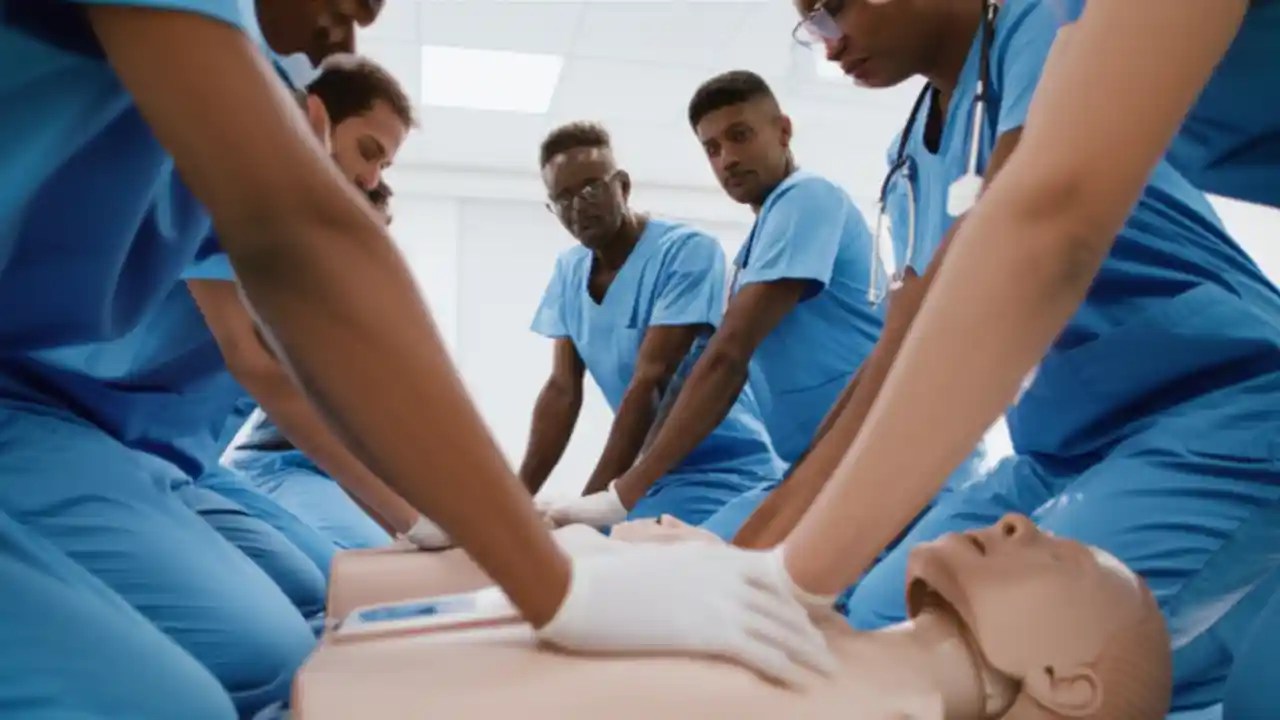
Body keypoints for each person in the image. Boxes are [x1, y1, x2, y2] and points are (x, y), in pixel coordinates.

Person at [0, 2, 832, 714]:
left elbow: (331, 301)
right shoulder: (224, 101)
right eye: (368, 157)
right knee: (203, 687)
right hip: (65, 427)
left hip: (144, 449)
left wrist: (550, 520)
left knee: (276, 646)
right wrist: (540, 562)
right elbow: (303, 271)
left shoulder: (695, 247)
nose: (365, 17)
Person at [764, 0, 1280, 710]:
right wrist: (771, 561)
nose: (829, 45)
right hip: (1063, 447)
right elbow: (907, 339)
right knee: (887, 614)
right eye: (812, 25)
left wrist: (787, 572)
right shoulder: (912, 158)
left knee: (1011, 654)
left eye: (836, 9)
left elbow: (1045, 223)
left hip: (1219, 405)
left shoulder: (1042, 24)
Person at [299, 514, 1174, 720]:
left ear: (1066, 682)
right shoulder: (832, 639)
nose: (1020, 521)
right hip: (351, 663)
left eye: (1058, 558)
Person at [614, 70, 987, 542]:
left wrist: (624, 491)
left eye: (740, 136)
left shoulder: (806, 198)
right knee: (681, 558)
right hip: (811, 471)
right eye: (712, 148)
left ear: (783, 131)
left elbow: (727, 357)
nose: (727, 158)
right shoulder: (754, 250)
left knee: (721, 577)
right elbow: (711, 371)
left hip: (889, 461)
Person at [529, 121, 786, 527]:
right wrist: (514, 500)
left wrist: (589, 505)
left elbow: (650, 381)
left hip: (723, 469)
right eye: (562, 198)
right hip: (641, 475)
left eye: (591, 188)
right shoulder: (569, 270)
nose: (578, 206)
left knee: (600, 556)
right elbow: (562, 392)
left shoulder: (685, 251)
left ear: (623, 186)